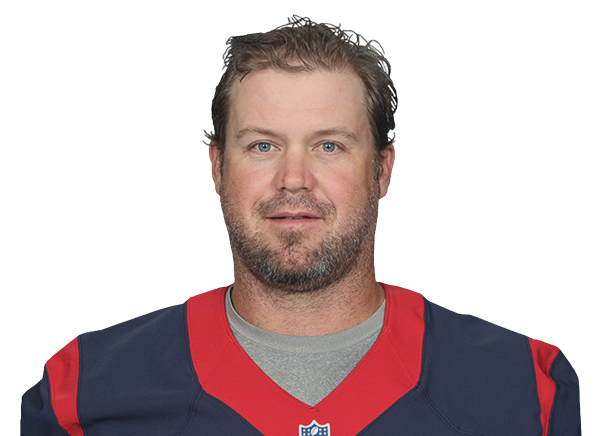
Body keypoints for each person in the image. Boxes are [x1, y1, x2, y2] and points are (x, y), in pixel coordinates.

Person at [20, 15, 581, 436]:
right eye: (262, 145)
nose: (293, 178)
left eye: (329, 146)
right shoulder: (84, 394)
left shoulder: (523, 390)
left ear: (382, 170)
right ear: (217, 167)